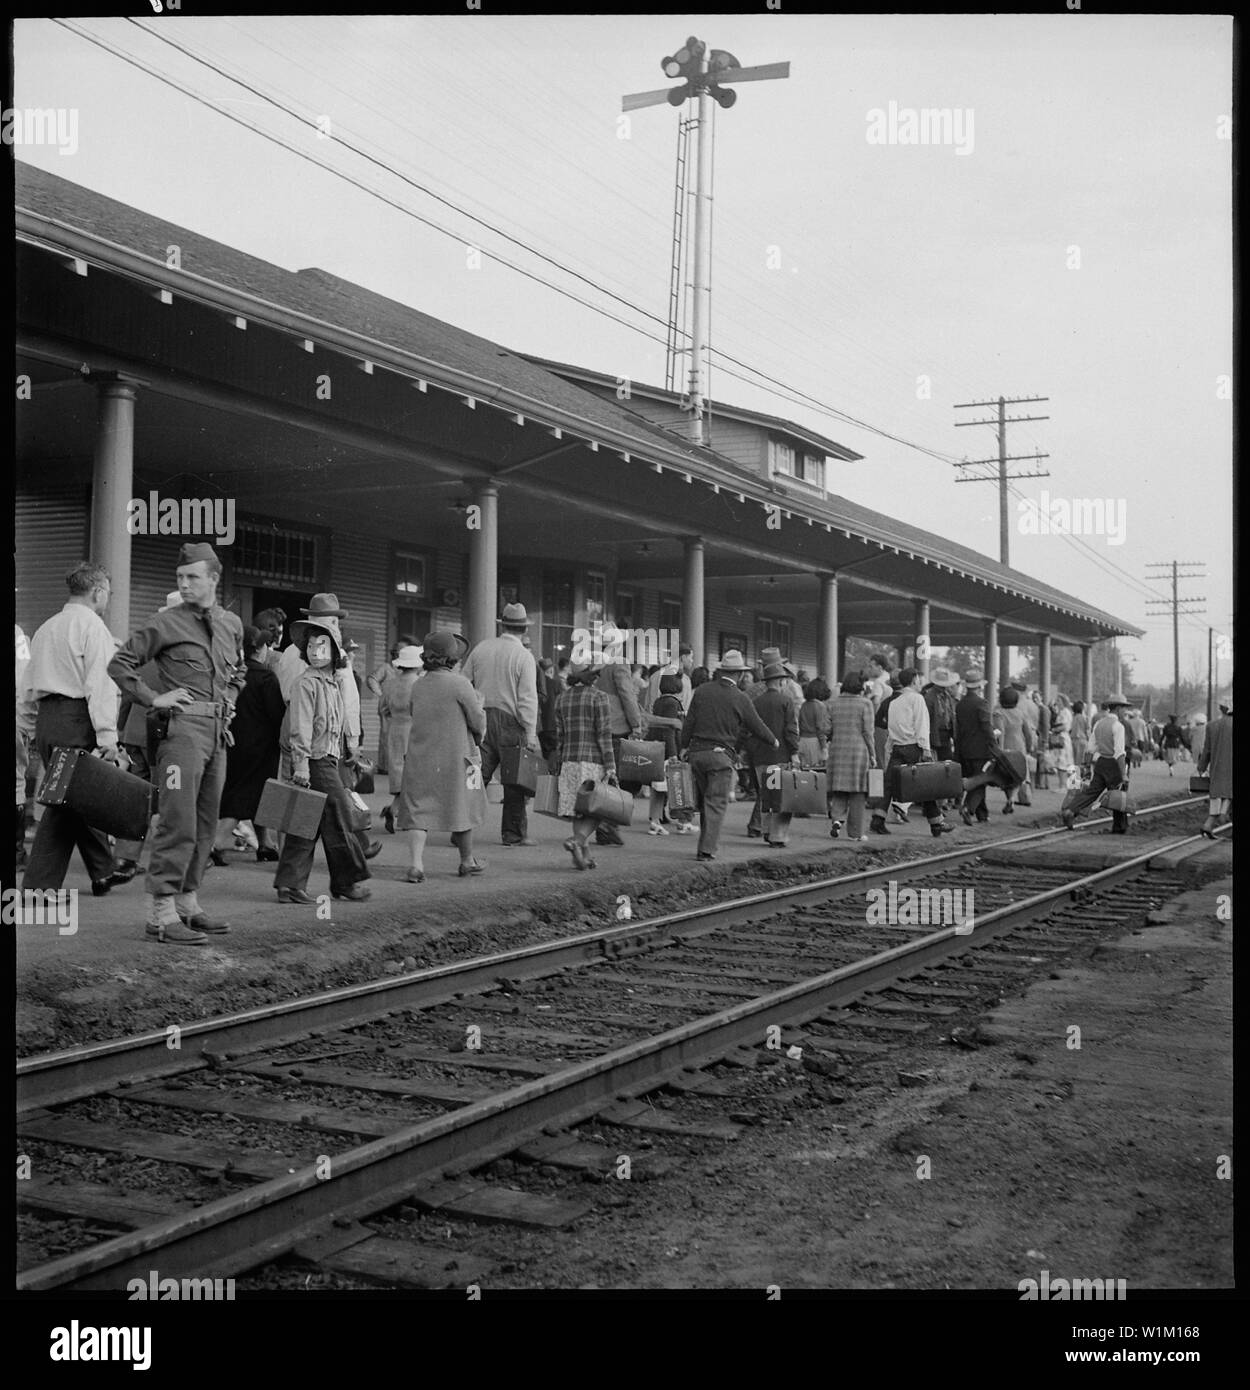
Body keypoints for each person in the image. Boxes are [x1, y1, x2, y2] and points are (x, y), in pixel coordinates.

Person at [109, 544, 246, 943]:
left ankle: (187, 902)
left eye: (193, 577)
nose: (184, 584)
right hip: (180, 733)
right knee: (177, 821)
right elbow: (120, 664)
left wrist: (230, 701)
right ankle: (161, 913)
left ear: (214, 579)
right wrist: (154, 698)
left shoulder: (231, 623)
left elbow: (236, 672)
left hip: (218, 733)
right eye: (180, 578)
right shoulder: (165, 622)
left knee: (205, 823)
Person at [18, 562, 130, 895]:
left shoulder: (45, 628)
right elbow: (100, 683)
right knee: (64, 801)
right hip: (77, 721)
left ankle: (102, 871)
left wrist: (27, 725)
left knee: (76, 797)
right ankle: (38, 885)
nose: (108, 599)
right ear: (97, 592)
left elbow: (27, 686)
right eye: (108, 593)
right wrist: (108, 736)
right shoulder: (93, 627)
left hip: (47, 723)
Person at [273, 613, 371, 902]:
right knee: (339, 815)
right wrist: (301, 765)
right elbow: (299, 727)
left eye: (323, 645)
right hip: (314, 761)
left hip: (325, 758)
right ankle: (346, 881)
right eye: (312, 646)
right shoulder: (306, 684)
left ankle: (289, 885)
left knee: (307, 820)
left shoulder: (332, 684)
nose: (316, 651)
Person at [396, 630, 486, 880]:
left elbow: (415, 714)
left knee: (417, 811)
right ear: (452, 658)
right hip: (457, 757)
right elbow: (477, 720)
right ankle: (467, 860)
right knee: (463, 804)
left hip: (420, 756)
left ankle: (416, 865)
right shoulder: (460, 684)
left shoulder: (418, 685)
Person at [679, 650, 777, 861]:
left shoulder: (703, 691)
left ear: (721, 670)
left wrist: (683, 746)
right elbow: (756, 725)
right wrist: (773, 740)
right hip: (721, 757)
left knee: (708, 801)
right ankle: (707, 850)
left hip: (697, 754)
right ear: (740, 675)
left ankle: (704, 845)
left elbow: (689, 722)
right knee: (716, 803)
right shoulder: (740, 697)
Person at [461, 603, 540, 847]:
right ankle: (513, 834)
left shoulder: (481, 648)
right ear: (523, 629)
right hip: (511, 721)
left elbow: (464, 683)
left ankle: (461, 828)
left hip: (481, 716)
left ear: (502, 625)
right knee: (514, 780)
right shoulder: (523, 656)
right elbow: (527, 698)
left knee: (474, 777)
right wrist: (530, 732)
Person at [211, 624, 286, 865]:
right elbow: (277, 716)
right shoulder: (266, 678)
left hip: (232, 743)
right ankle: (216, 844)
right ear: (260, 649)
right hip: (262, 749)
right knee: (246, 796)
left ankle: (265, 844)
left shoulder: (230, 675)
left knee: (245, 793)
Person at [874, 667, 954, 839]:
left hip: (897, 747)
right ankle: (936, 824)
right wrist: (925, 748)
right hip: (914, 747)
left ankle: (878, 818)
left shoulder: (894, 702)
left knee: (889, 784)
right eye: (919, 679)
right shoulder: (917, 699)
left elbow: (891, 727)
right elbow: (921, 725)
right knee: (925, 786)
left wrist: (890, 747)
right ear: (913, 680)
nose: (920, 682)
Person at [555, 658, 619, 869]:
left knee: (578, 809)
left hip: (569, 762)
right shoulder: (599, 697)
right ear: (591, 675)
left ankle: (585, 856)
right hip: (592, 762)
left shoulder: (561, 699)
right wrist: (610, 765)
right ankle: (578, 841)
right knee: (599, 810)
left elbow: (560, 736)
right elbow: (604, 735)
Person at [593, 627, 646, 846]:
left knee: (602, 777)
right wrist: (636, 723)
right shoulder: (619, 663)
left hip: (596, 723)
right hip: (617, 725)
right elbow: (627, 694)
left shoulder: (596, 662)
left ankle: (599, 825)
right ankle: (608, 826)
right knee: (617, 779)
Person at [745, 661, 800, 846]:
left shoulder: (756, 702)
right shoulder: (786, 701)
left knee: (766, 793)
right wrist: (794, 752)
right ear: (779, 681)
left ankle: (767, 830)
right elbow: (790, 730)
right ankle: (777, 836)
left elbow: (747, 729)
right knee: (778, 796)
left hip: (760, 756)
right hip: (779, 756)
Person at [1062, 693, 1132, 834]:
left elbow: (1090, 748)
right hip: (1114, 765)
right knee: (1118, 794)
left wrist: (1086, 766)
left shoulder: (1099, 724)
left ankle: (1070, 810)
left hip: (1101, 763)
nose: (1125, 711)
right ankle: (1119, 827)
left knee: (1091, 792)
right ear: (1118, 708)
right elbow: (1119, 753)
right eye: (1124, 708)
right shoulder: (1118, 726)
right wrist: (1123, 774)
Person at [826, 669, 876, 840]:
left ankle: (837, 819)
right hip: (858, 750)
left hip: (837, 749)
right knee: (857, 792)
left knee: (839, 788)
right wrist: (873, 754)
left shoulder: (833, 703)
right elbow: (868, 732)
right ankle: (856, 833)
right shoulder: (865, 704)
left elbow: (828, 730)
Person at [379, 645, 423, 833]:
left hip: (394, 728)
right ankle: (406, 816)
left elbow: (383, 709)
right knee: (414, 774)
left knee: (399, 772)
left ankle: (396, 809)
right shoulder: (419, 684)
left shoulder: (390, 683)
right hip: (413, 729)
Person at [646, 673, 692, 835]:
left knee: (657, 789)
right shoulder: (673, 703)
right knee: (677, 787)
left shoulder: (659, 702)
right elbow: (669, 730)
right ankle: (683, 821)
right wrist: (673, 753)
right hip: (668, 750)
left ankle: (655, 821)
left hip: (656, 749)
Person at [954, 667, 996, 825]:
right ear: (980, 686)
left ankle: (982, 814)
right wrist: (994, 746)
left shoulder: (961, 704)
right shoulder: (982, 703)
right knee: (981, 780)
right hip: (981, 750)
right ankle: (968, 808)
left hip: (964, 749)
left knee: (975, 780)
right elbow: (987, 727)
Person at [992, 686, 1035, 814]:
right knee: (1018, 775)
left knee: (1005, 775)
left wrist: (999, 749)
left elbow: (999, 732)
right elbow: (1028, 733)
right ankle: (1012, 799)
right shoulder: (1021, 713)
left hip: (1005, 748)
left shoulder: (998, 714)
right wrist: (1029, 746)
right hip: (1019, 747)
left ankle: (1009, 798)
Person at [1196, 704, 1232, 838]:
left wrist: (1201, 767)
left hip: (1217, 767)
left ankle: (1209, 824)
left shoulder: (1211, 726)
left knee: (1217, 794)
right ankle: (1223, 815)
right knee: (1228, 793)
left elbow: (1207, 751)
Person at [367, 643, 402, 776]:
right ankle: (385, 766)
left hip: (402, 708)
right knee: (386, 737)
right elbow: (372, 679)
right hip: (387, 708)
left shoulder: (407, 669)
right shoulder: (386, 668)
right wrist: (381, 694)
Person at [798, 678, 832, 768]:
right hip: (815, 743)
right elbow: (820, 728)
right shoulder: (820, 706)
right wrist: (824, 748)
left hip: (802, 741)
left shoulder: (804, 705)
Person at [1070, 699, 1090, 769]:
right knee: (1081, 762)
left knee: (1074, 762)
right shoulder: (1084, 718)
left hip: (1073, 740)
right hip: (1082, 740)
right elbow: (1087, 730)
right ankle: (1079, 777)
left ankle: (1074, 777)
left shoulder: (1073, 717)